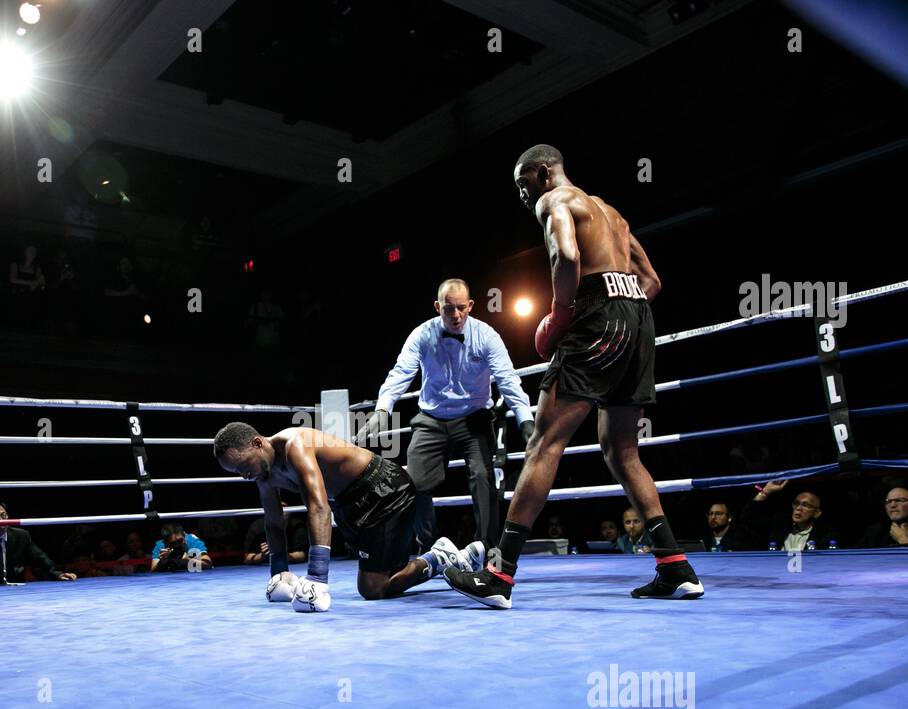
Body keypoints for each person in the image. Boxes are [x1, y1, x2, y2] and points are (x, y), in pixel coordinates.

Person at [445, 144, 703, 608]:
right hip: (639, 321)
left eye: (524, 184)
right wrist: (622, 318)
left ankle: (499, 576)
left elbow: (566, 257)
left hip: (598, 316)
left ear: (544, 173)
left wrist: (563, 315)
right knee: (622, 450)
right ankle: (675, 567)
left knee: (545, 442)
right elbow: (652, 281)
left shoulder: (555, 200)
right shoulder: (611, 213)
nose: (524, 196)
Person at [213, 422, 484, 610]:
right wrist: (279, 572)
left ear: (257, 443)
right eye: (236, 472)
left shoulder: (295, 444)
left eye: (243, 465)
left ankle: (437, 559)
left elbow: (318, 507)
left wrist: (316, 579)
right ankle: (440, 557)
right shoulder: (263, 476)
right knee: (382, 578)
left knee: (372, 589)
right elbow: (273, 522)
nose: (244, 475)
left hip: (383, 488)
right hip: (349, 504)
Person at [357, 278, 535, 552]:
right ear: (437, 306)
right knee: (413, 483)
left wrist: (525, 419)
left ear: (471, 305)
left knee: (483, 477)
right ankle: (430, 548)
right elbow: (401, 372)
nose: (455, 315)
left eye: (461, 308)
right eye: (448, 308)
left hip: (474, 417)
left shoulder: (487, 336)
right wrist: (383, 409)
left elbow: (507, 379)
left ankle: (486, 548)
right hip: (431, 419)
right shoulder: (422, 334)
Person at [740, 480, 835, 551]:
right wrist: (766, 491)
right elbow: (748, 519)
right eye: (796, 503)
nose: (798, 508)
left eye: (805, 505)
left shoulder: (825, 535)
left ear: (817, 513)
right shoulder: (779, 525)